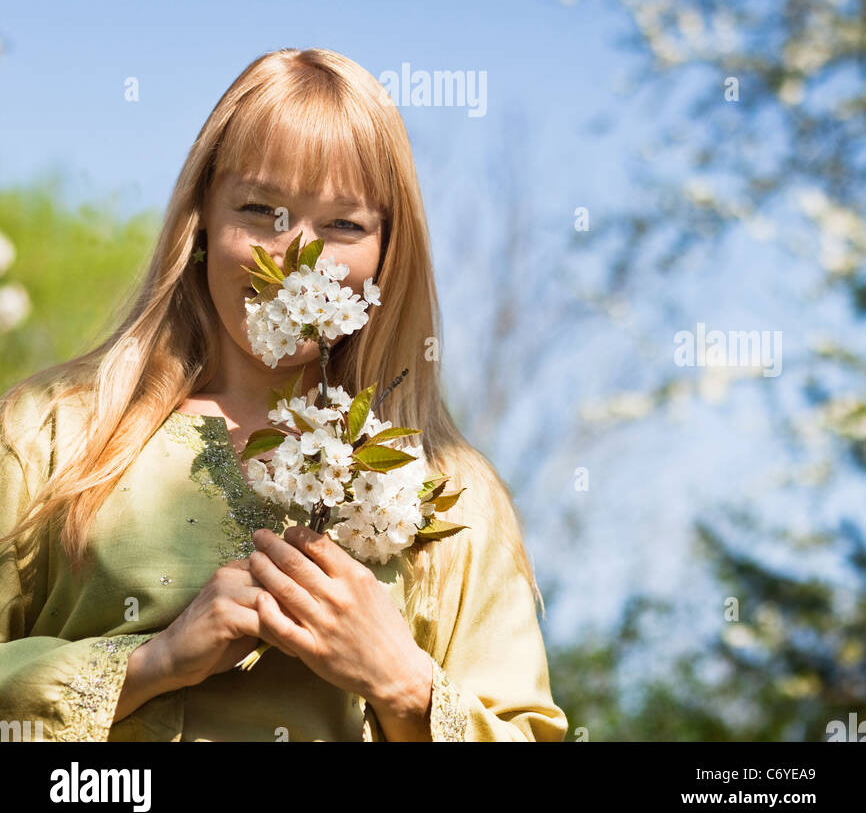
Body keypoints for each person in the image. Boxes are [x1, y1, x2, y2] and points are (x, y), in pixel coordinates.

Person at [0, 48, 568, 742]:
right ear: (201, 219)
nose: (297, 254)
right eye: (260, 209)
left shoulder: (449, 486)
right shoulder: (53, 433)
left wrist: (404, 688)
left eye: (345, 225)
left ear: (389, 251)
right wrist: (150, 665)